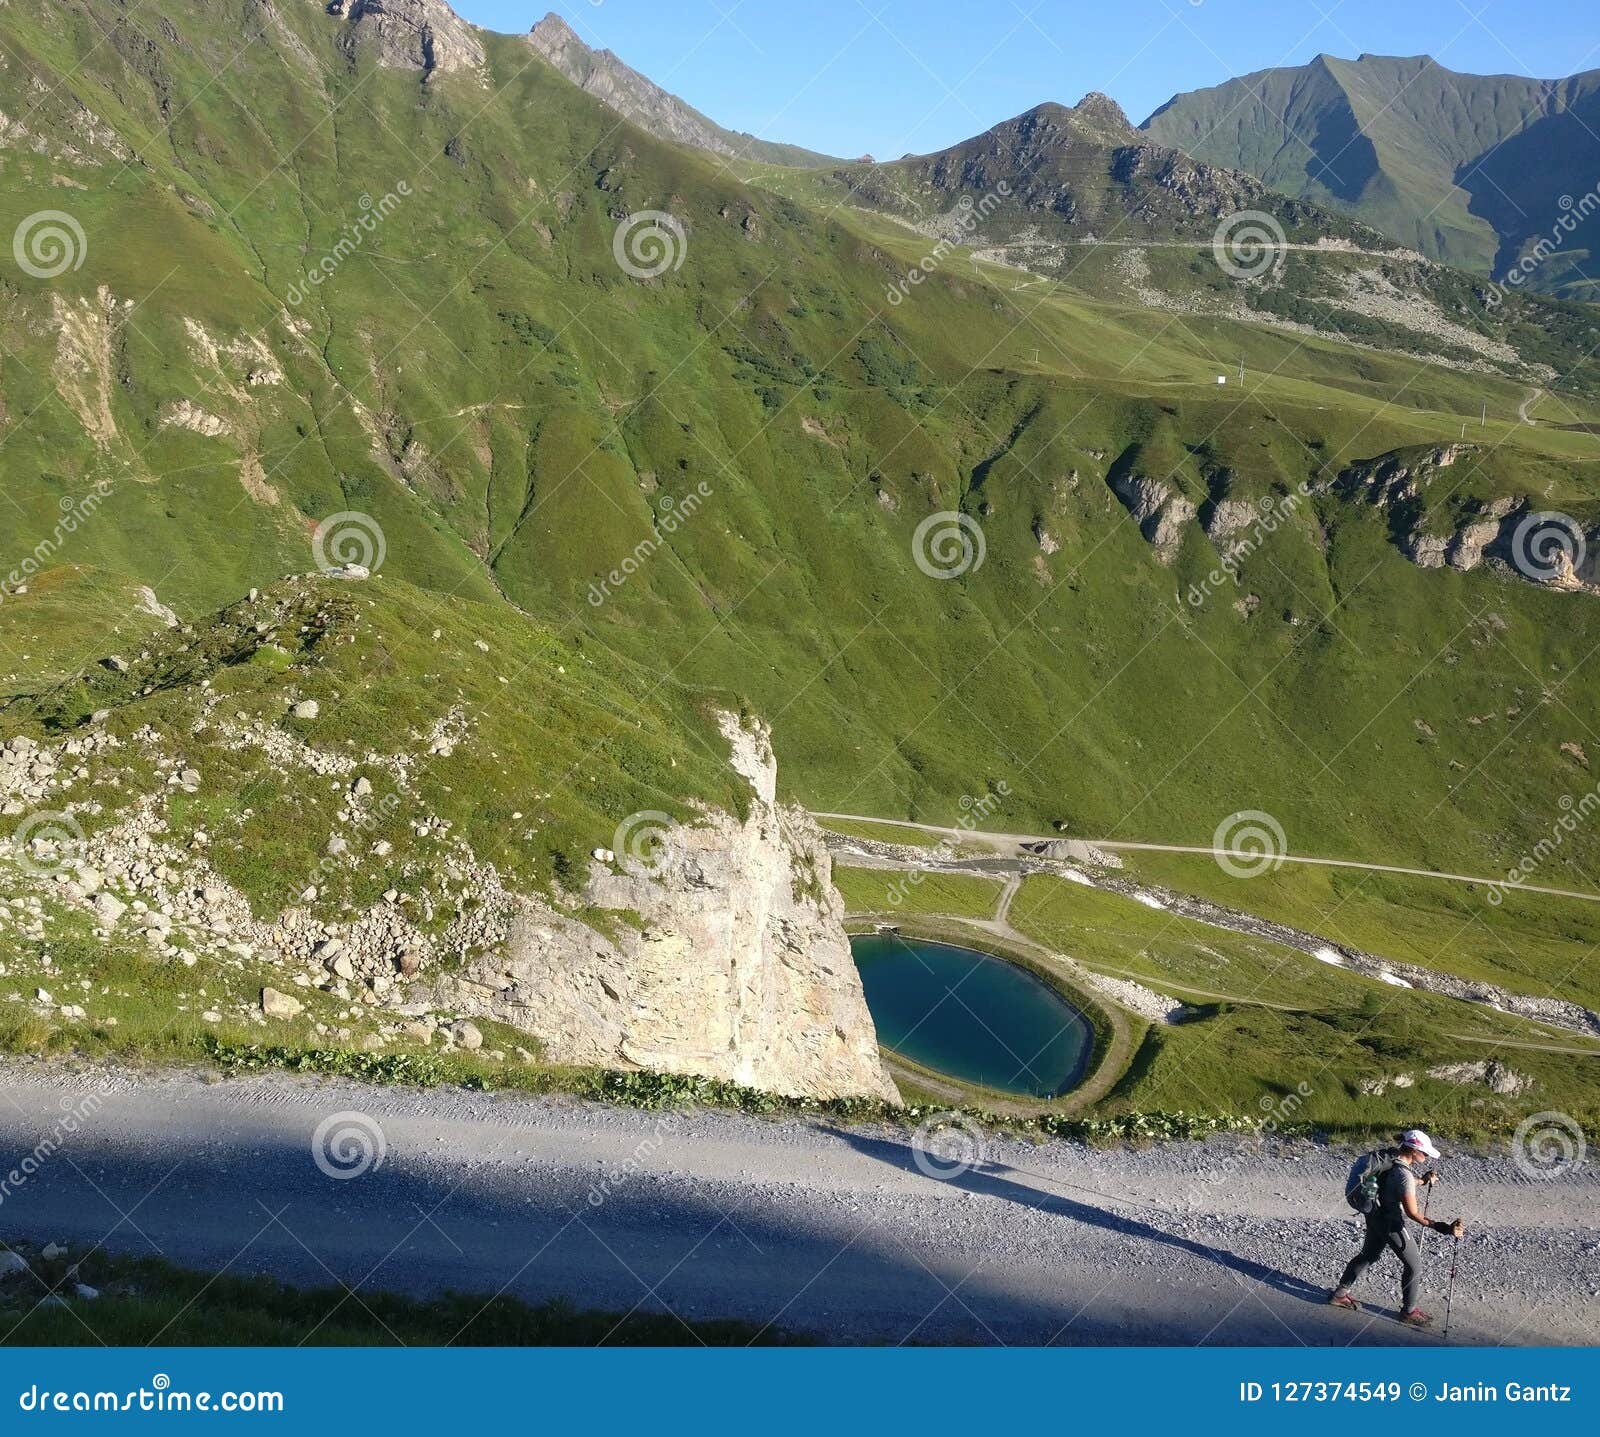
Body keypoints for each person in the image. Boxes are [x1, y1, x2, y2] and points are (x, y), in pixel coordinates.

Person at [1329, 1128, 1464, 1326]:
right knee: (1414, 1265)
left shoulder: (1391, 1160)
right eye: (1425, 1152)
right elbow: (1413, 1213)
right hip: (1391, 1223)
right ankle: (1409, 1312)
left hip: (1374, 1214)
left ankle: (1339, 1295)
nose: (1427, 1155)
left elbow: (1398, 1182)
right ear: (1413, 1151)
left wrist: (1422, 1181)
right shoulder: (1403, 1174)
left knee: (1369, 1255)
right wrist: (1445, 1228)